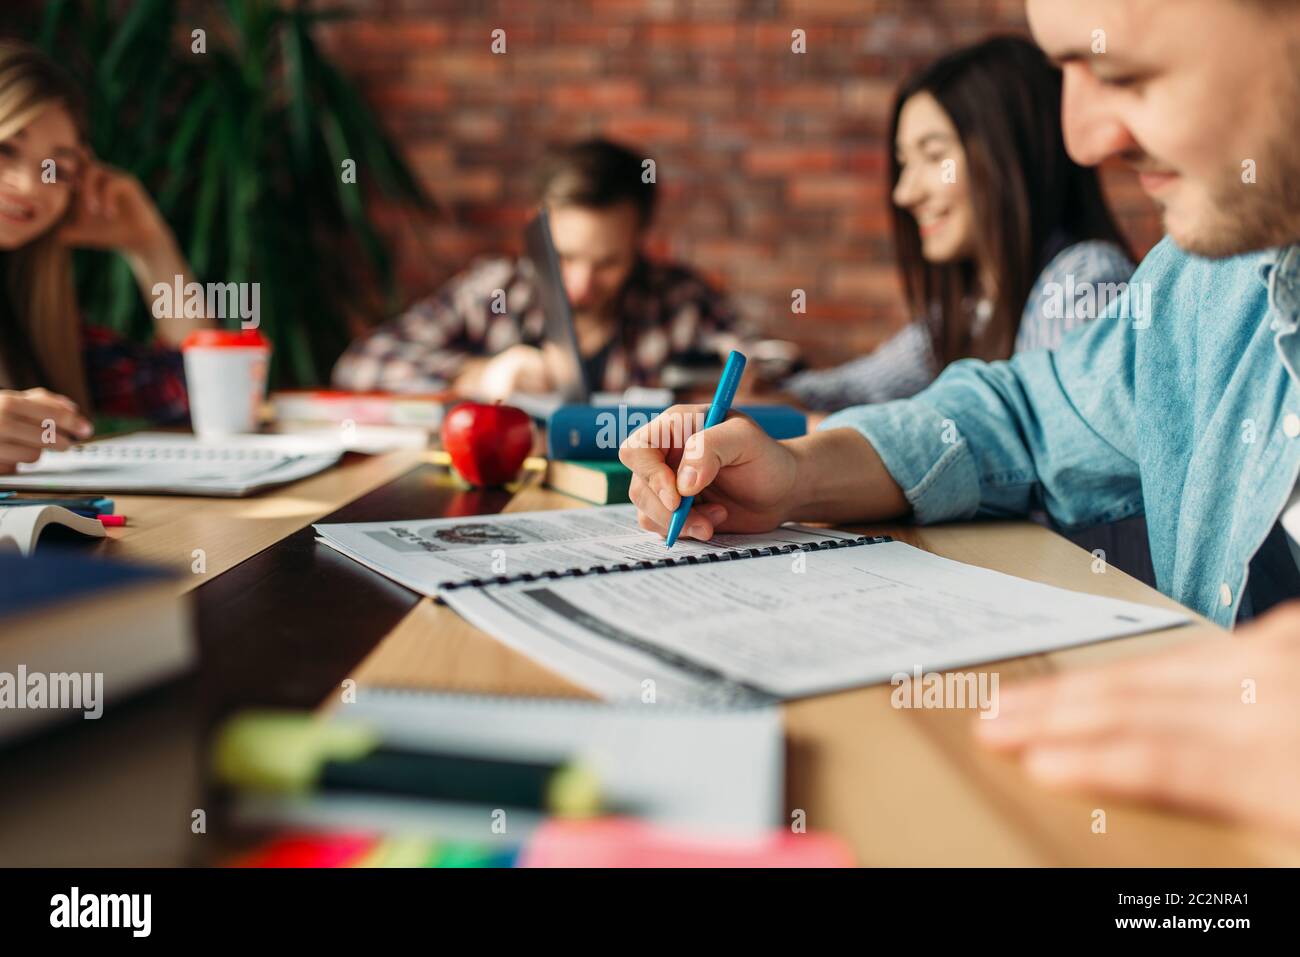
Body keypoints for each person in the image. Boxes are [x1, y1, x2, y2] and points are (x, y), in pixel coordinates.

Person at [620, 0, 1300, 835]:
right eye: (1065, 74)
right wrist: (799, 471)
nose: (1083, 140)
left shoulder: (1094, 271)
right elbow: (1016, 412)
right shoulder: (1204, 282)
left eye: (1125, 74)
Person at [784, 35, 1134, 412]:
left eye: (934, 157)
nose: (904, 193)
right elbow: (857, 387)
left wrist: (837, 438)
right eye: (905, 163)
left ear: (1011, 156)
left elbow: (1034, 445)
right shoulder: (974, 308)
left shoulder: (1082, 281)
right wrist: (767, 393)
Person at [332, 137, 743, 399]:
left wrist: (747, 381)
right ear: (537, 228)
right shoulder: (496, 288)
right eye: (564, 256)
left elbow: (782, 372)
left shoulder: (681, 300)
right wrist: (479, 375)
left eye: (608, 263)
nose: (581, 285)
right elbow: (361, 363)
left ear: (639, 239)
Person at [0, 41, 206, 473]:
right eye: (5, 149)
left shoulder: (28, 315)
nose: (31, 186)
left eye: (58, 169)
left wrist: (150, 245)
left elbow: (194, 393)